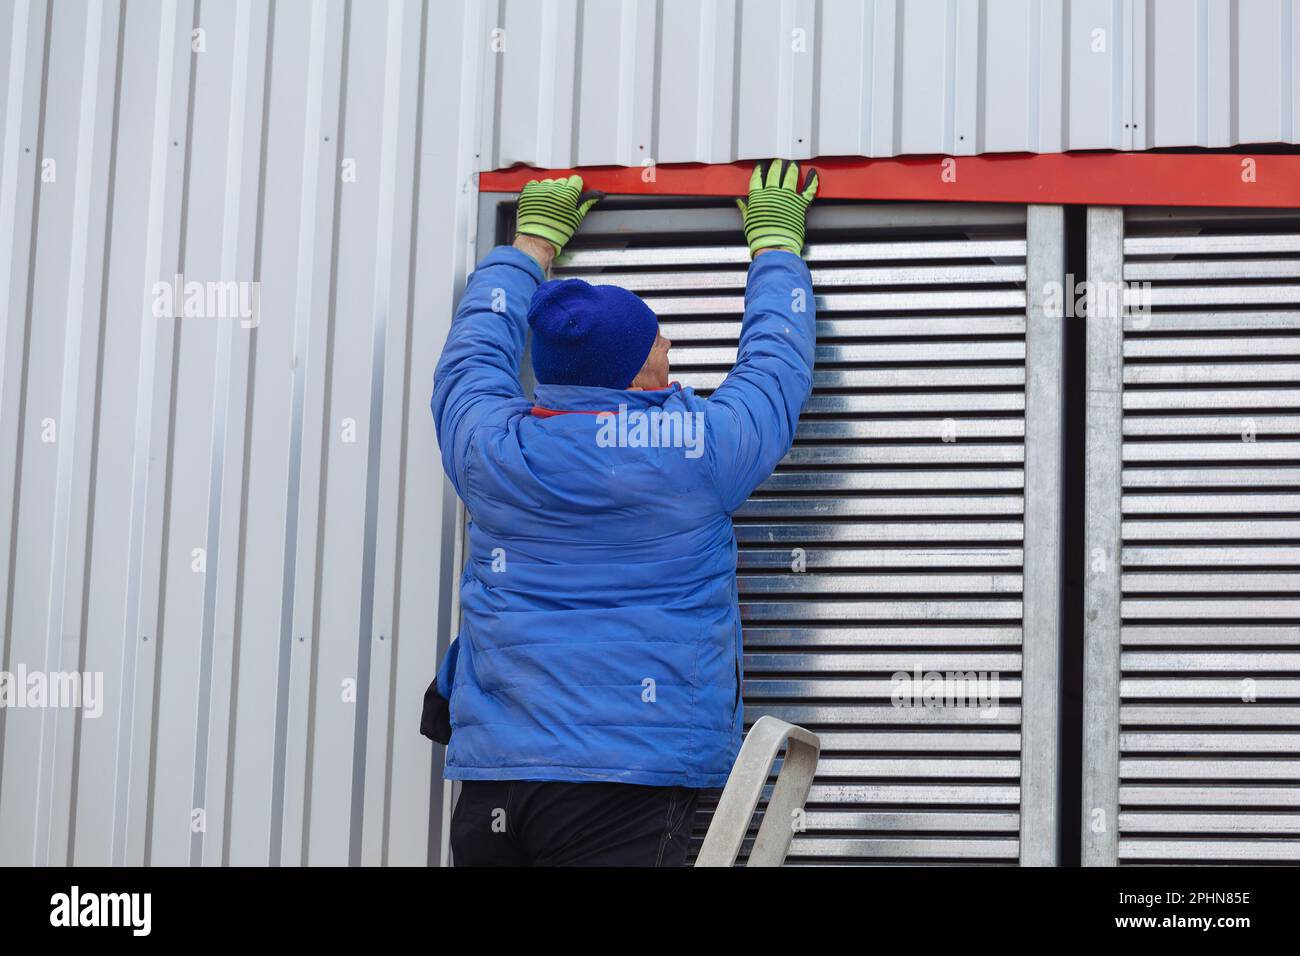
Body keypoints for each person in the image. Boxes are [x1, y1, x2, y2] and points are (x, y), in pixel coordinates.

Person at [424, 159, 819, 866]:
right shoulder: (692, 448)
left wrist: (530, 246)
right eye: (656, 339)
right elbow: (772, 375)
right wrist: (776, 251)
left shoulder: (489, 446)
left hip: (497, 788)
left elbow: (471, 353)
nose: (668, 345)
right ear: (639, 371)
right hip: (627, 787)